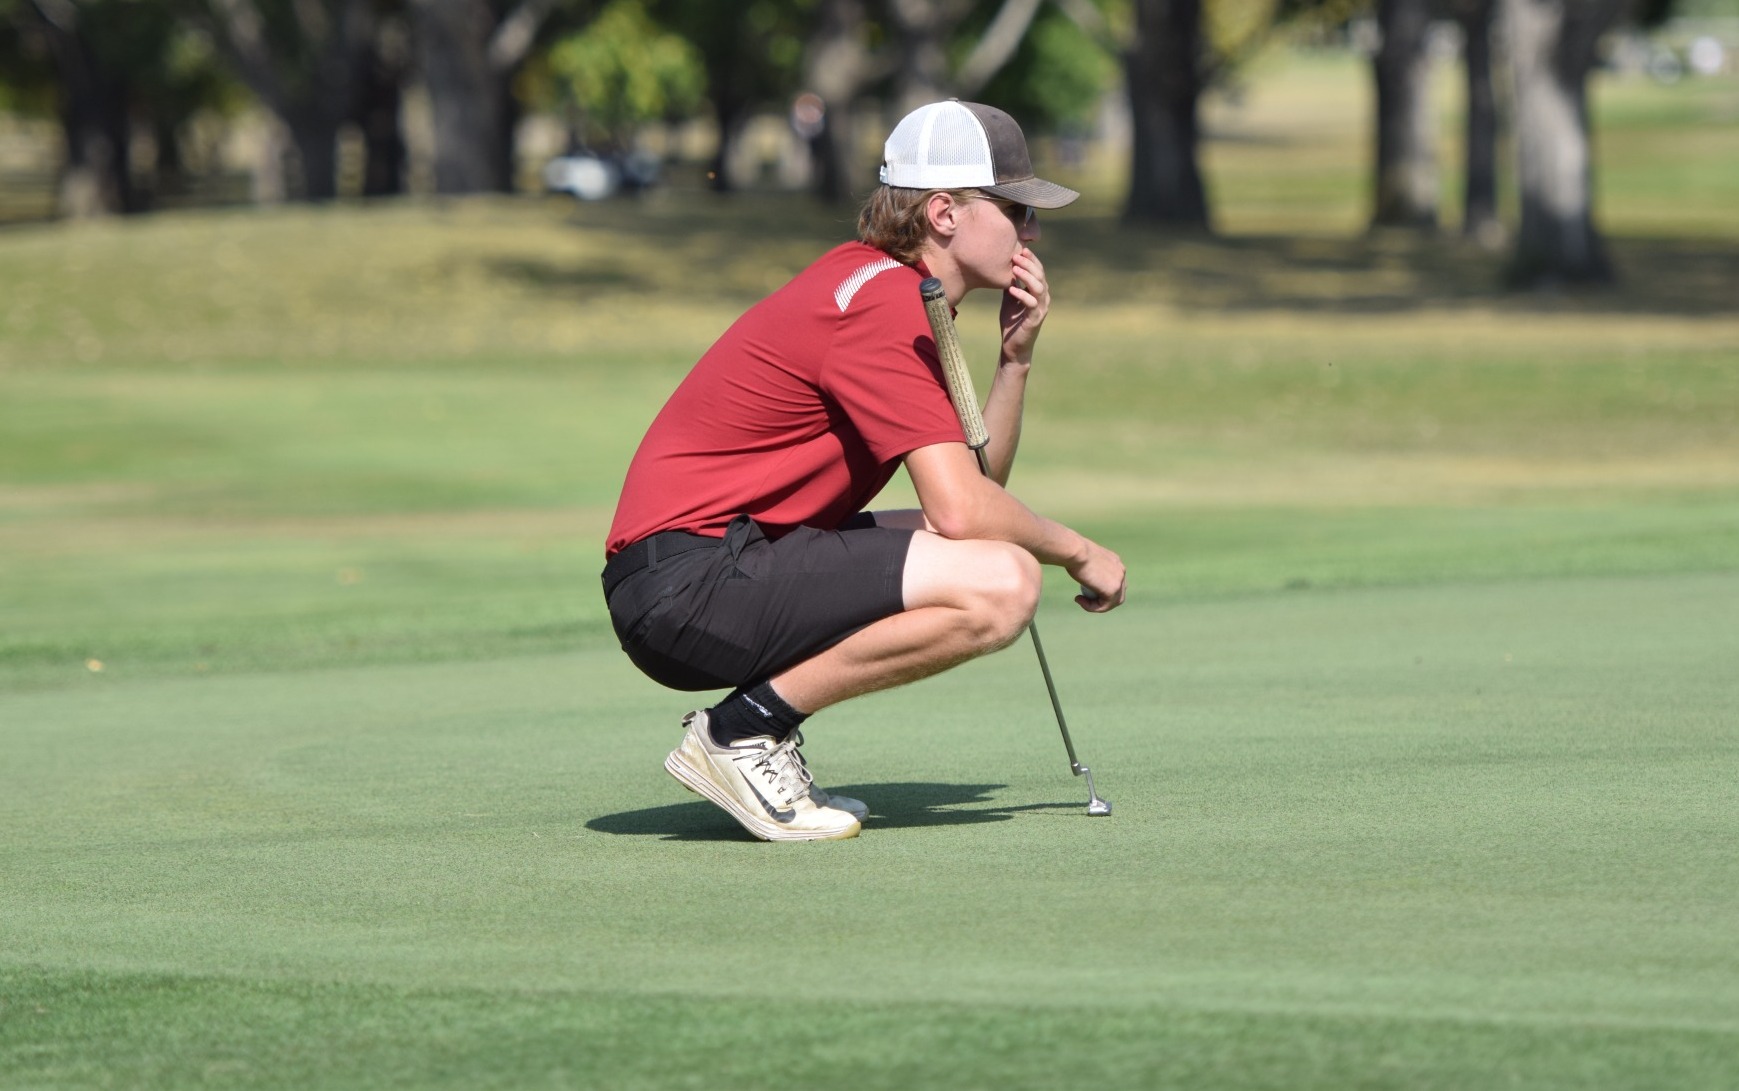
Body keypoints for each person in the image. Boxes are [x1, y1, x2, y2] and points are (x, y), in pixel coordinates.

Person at [601, 100, 1127, 842]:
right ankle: (740, 734)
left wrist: (1014, 359)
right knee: (1005, 582)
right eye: (1014, 209)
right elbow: (961, 513)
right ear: (944, 212)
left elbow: (978, 495)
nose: (1032, 230)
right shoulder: (878, 306)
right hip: (684, 584)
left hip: (720, 562)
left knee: (990, 559)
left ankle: (750, 732)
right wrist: (1079, 549)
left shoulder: (891, 291)